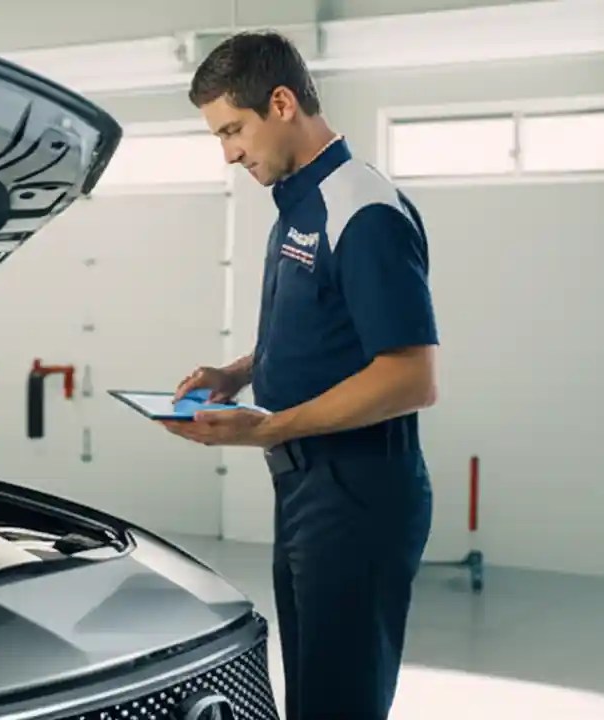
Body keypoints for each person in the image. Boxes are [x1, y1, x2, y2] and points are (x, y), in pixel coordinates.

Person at [163, 31, 439, 720]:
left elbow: (410, 377)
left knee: (339, 700)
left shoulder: (362, 209)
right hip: (309, 485)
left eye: (233, 129)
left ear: (280, 103)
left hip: (359, 490)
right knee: (314, 691)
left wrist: (266, 428)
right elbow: (328, 324)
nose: (228, 152)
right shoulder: (301, 202)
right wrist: (235, 373)